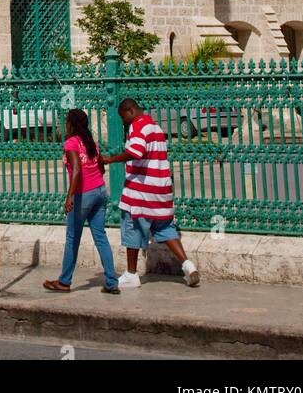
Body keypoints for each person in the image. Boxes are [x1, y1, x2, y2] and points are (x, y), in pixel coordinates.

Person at [101, 97, 199, 288]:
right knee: (166, 229)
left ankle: (131, 274)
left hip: (141, 192)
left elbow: (136, 152)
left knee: (131, 226)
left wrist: (110, 159)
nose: (123, 122)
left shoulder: (138, 125)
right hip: (161, 191)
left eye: (123, 118)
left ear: (130, 111)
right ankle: (188, 265)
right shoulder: (156, 127)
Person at [43, 108, 120, 294]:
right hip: (100, 190)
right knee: (100, 236)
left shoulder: (71, 143)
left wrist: (69, 196)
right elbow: (100, 165)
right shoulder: (90, 142)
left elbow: (76, 170)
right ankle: (111, 281)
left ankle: (64, 281)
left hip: (83, 194)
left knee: (72, 238)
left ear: (70, 124)